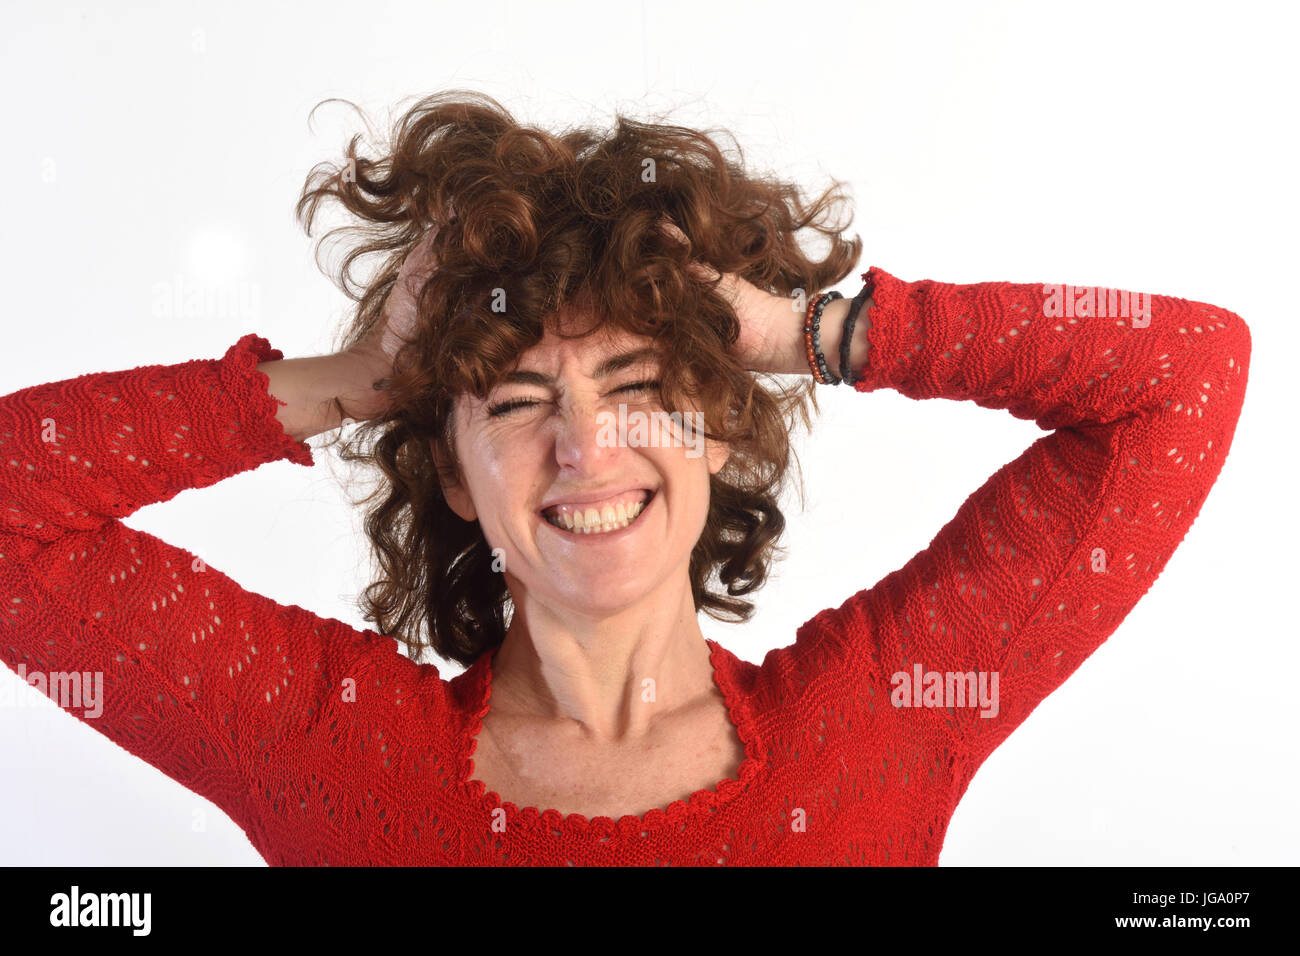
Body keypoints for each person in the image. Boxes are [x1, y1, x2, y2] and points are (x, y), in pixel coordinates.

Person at [0, 91, 1251, 865]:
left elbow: (1186, 375)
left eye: (641, 387)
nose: (587, 450)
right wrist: (375, 368)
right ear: (450, 467)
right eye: (520, 400)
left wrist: (813, 332)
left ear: (714, 420)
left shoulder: (882, 729)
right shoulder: (331, 757)